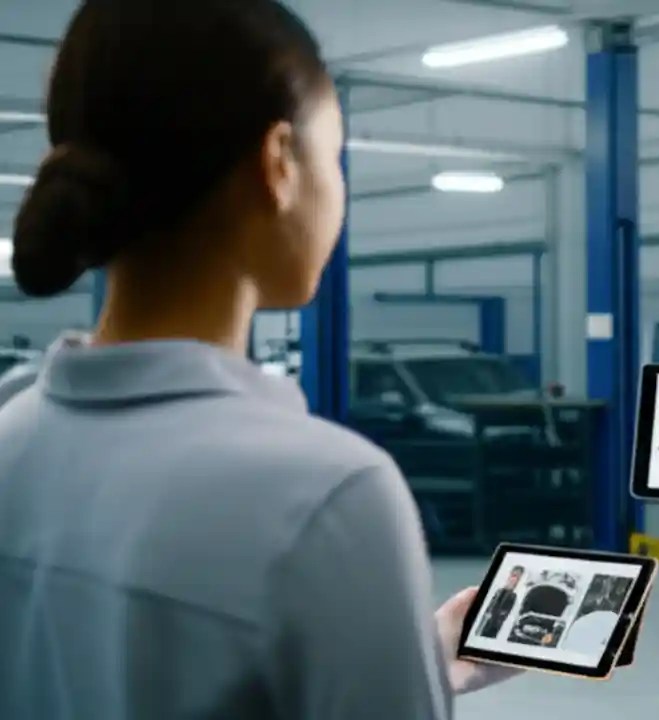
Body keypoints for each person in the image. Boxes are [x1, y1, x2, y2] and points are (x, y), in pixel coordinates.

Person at [0, 2, 519, 718]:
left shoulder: (13, 436)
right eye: (333, 157)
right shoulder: (329, 494)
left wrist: (407, 656)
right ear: (278, 163)